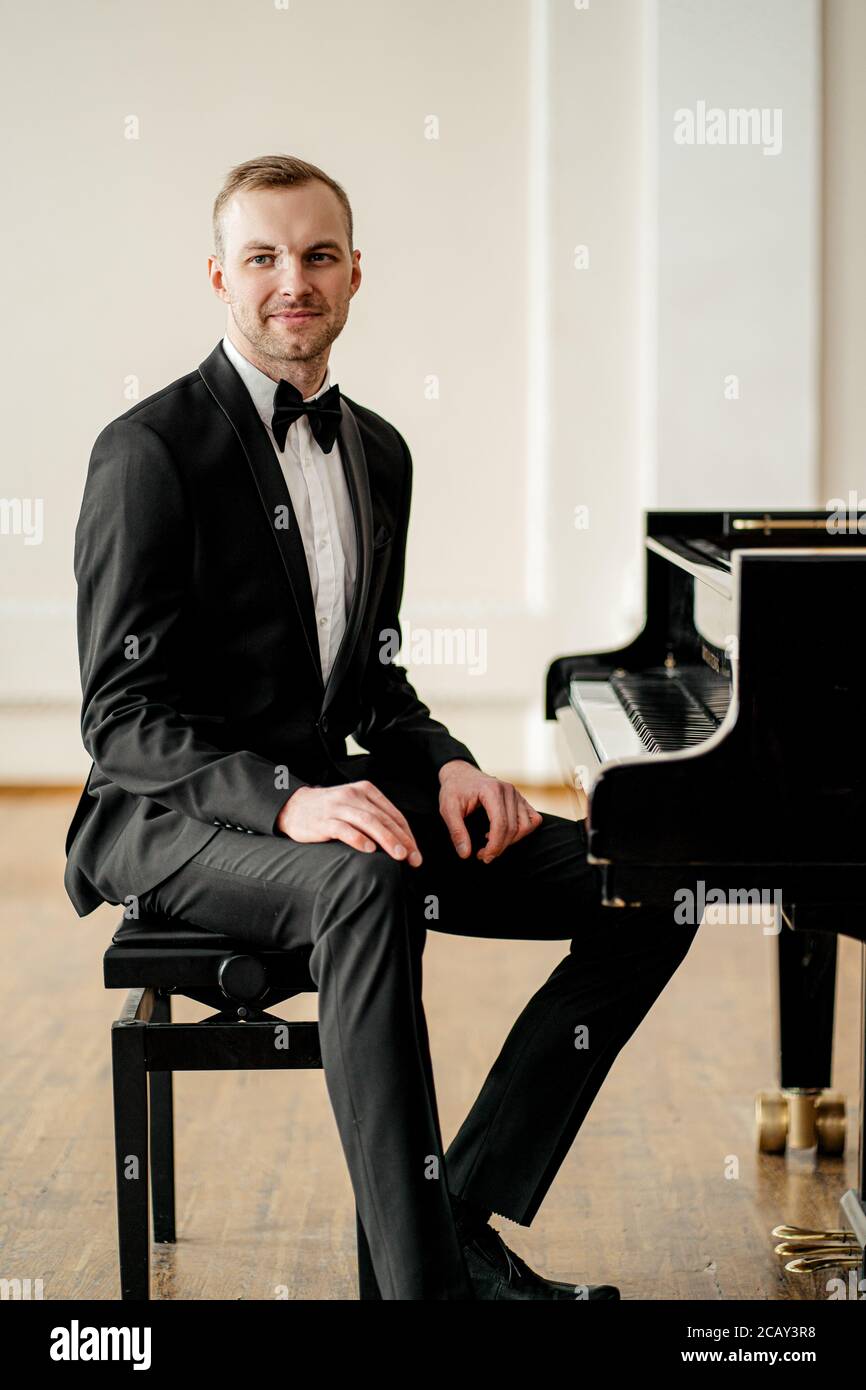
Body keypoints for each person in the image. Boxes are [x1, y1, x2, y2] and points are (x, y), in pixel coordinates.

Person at [65, 154, 699, 1300]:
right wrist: (286, 801)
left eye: (315, 256)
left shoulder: (379, 452)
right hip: (170, 818)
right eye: (261, 257)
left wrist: (447, 764)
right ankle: (421, 1294)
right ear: (219, 276)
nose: (290, 281)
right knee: (360, 880)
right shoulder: (147, 451)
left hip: (331, 793)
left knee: (643, 884)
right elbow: (119, 721)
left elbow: (373, 686)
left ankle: (455, 1212)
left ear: (356, 274)